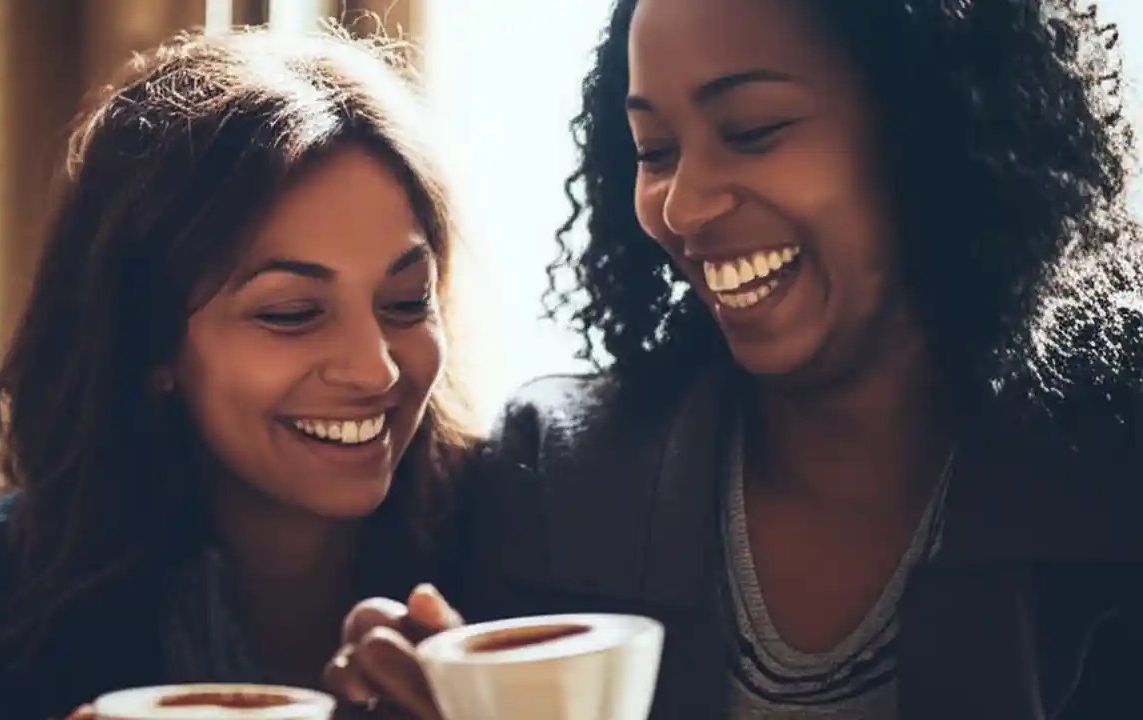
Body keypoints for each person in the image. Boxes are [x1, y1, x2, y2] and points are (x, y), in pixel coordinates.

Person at [325, 0, 1143, 718]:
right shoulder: (556, 477)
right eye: (653, 150)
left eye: (752, 131)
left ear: (931, 124)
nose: (682, 206)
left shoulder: (1114, 462)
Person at [0, 28, 477, 720]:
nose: (375, 366)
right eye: (293, 313)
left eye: (406, 302)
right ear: (150, 343)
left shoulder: (513, 544)